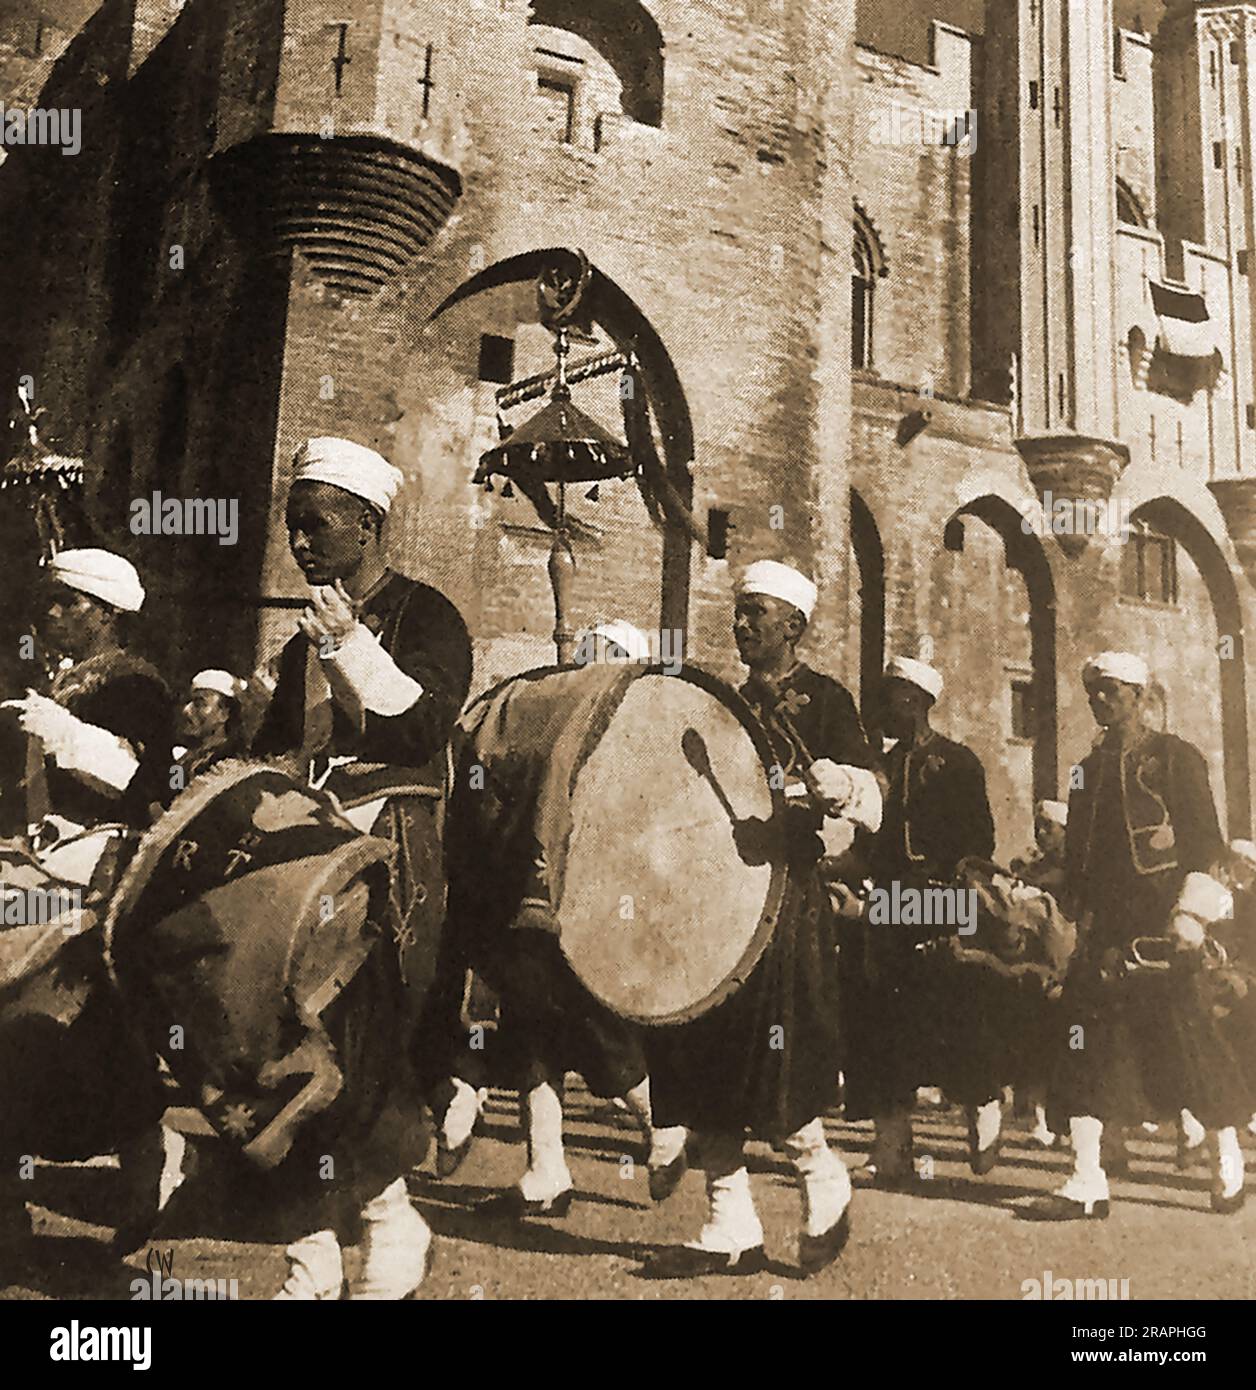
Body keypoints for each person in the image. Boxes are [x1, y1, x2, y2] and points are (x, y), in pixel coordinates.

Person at [253, 436, 473, 1297]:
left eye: (315, 527)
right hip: (309, 850)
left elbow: (423, 728)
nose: (299, 546)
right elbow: (280, 744)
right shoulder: (307, 631)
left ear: (368, 524)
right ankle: (309, 1255)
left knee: (363, 1036)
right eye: (291, 529)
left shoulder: (430, 615)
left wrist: (351, 647)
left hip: (392, 846)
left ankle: (389, 1222)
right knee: (282, 1041)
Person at [641, 560, 882, 1277]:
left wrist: (840, 786)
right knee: (702, 1046)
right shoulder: (725, 701)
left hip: (784, 899)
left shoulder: (827, 699)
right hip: (714, 901)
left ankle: (821, 1176)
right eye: (739, 612)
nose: (741, 624)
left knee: (772, 1052)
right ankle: (728, 1223)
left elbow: (872, 793)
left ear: (794, 626)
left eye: (757, 613)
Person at [430, 615, 658, 1206]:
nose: (586, 661)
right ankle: (545, 1169)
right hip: (524, 893)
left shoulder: (634, 729)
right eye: (586, 651)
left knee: (577, 1017)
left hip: (593, 905)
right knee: (530, 1027)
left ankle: (662, 1123)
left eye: (602, 653)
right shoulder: (545, 718)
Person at [1024, 652, 1251, 1220]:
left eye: (1113, 692)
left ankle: (1228, 1162)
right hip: (1106, 929)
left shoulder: (1175, 757)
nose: (1101, 701)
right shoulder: (1085, 769)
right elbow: (1078, 857)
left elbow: (1204, 844)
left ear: (1140, 697)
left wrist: (1191, 916)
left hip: (1163, 923)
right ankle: (1086, 1179)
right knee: (1080, 1042)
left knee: (1188, 1040)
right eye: (1094, 691)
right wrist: (1065, 908)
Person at [0, 547, 176, 1250]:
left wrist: (65, 735)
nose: (46, 614)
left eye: (62, 602)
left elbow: (143, 782)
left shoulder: (138, 686)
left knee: (74, 1030)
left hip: (96, 870)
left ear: (103, 614)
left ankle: (147, 1153)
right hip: (35, 866)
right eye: (46, 599)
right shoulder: (58, 683)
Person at [845, 656, 1000, 1185]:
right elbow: (867, 844)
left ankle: (981, 1106)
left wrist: (956, 906)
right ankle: (892, 1148)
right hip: (889, 905)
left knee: (953, 1015)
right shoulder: (878, 770)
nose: (879, 711)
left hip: (945, 903)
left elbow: (979, 844)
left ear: (913, 700)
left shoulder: (958, 762)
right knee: (880, 1021)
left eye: (887, 698)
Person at [171, 669, 248, 785]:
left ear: (224, 714)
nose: (186, 710)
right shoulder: (191, 753)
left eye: (199, 704)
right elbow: (173, 789)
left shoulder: (225, 766)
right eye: (190, 702)